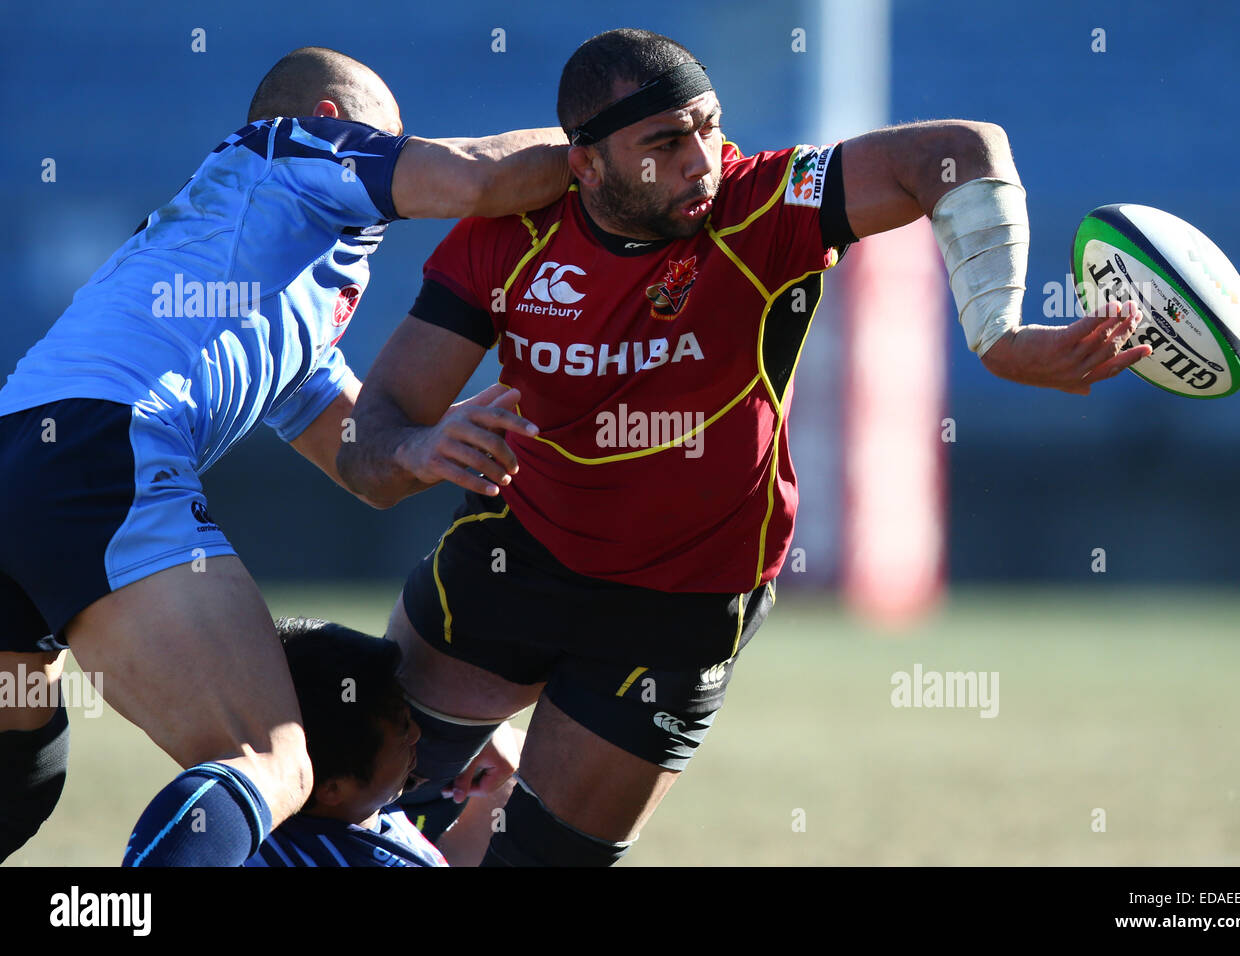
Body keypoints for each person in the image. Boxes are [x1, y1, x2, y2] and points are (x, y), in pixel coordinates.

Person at [337, 28, 1151, 865]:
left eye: (709, 126)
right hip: (515, 559)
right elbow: (370, 444)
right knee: (344, 822)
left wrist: (998, 332)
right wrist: (418, 449)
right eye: (664, 142)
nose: (702, 159)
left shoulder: (763, 205)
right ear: (583, 165)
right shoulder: (506, 239)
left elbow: (958, 151)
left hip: (681, 604)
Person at [0, 46, 570, 865]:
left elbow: (359, 462)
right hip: (99, 451)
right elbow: (477, 178)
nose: (395, 158)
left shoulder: (274, 282)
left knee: (17, 766)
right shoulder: (282, 150)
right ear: (330, 125)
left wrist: (424, 442)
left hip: (20, 453)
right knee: (273, 764)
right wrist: (614, 137)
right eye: (390, 139)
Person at [246, 617, 522, 868]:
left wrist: (487, 729)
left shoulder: (239, 804)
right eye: (403, 729)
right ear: (333, 789)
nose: (417, 733)